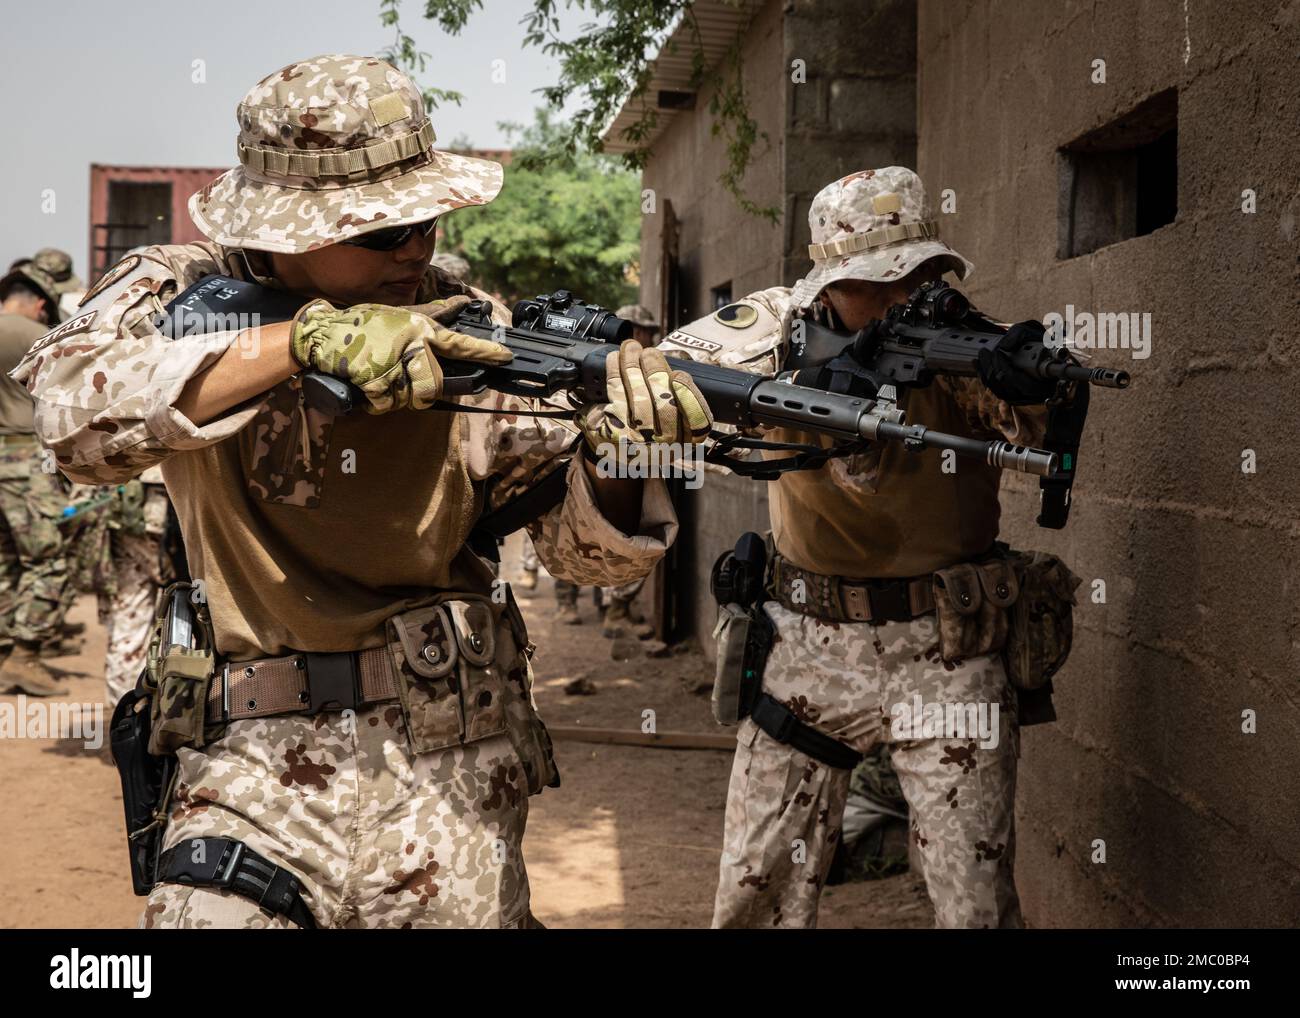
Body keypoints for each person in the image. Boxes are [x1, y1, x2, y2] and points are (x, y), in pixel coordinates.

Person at [15, 53, 711, 929]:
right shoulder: (180, 290)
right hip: (246, 768)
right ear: (288, 228)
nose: (416, 248)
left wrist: (622, 460)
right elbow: (69, 416)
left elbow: (585, 557)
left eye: (425, 221)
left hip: (448, 766)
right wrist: (301, 344)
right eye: (383, 231)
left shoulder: (466, 325)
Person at [660, 167, 1066, 929]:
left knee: (972, 901)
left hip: (944, 646)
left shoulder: (957, 351)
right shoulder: (777, 335)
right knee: (756, 892)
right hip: (804, 645)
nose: (899, 298)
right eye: (877, 282)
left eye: (918, 276)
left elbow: (1025, 422)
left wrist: (1022, 379)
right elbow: (672, 377)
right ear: (825, 287)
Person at [0, 262, 70, 696]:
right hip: (25, 459)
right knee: (47, 559)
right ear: (41, 304)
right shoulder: (38, 338)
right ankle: (24, 656)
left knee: (5, 560)